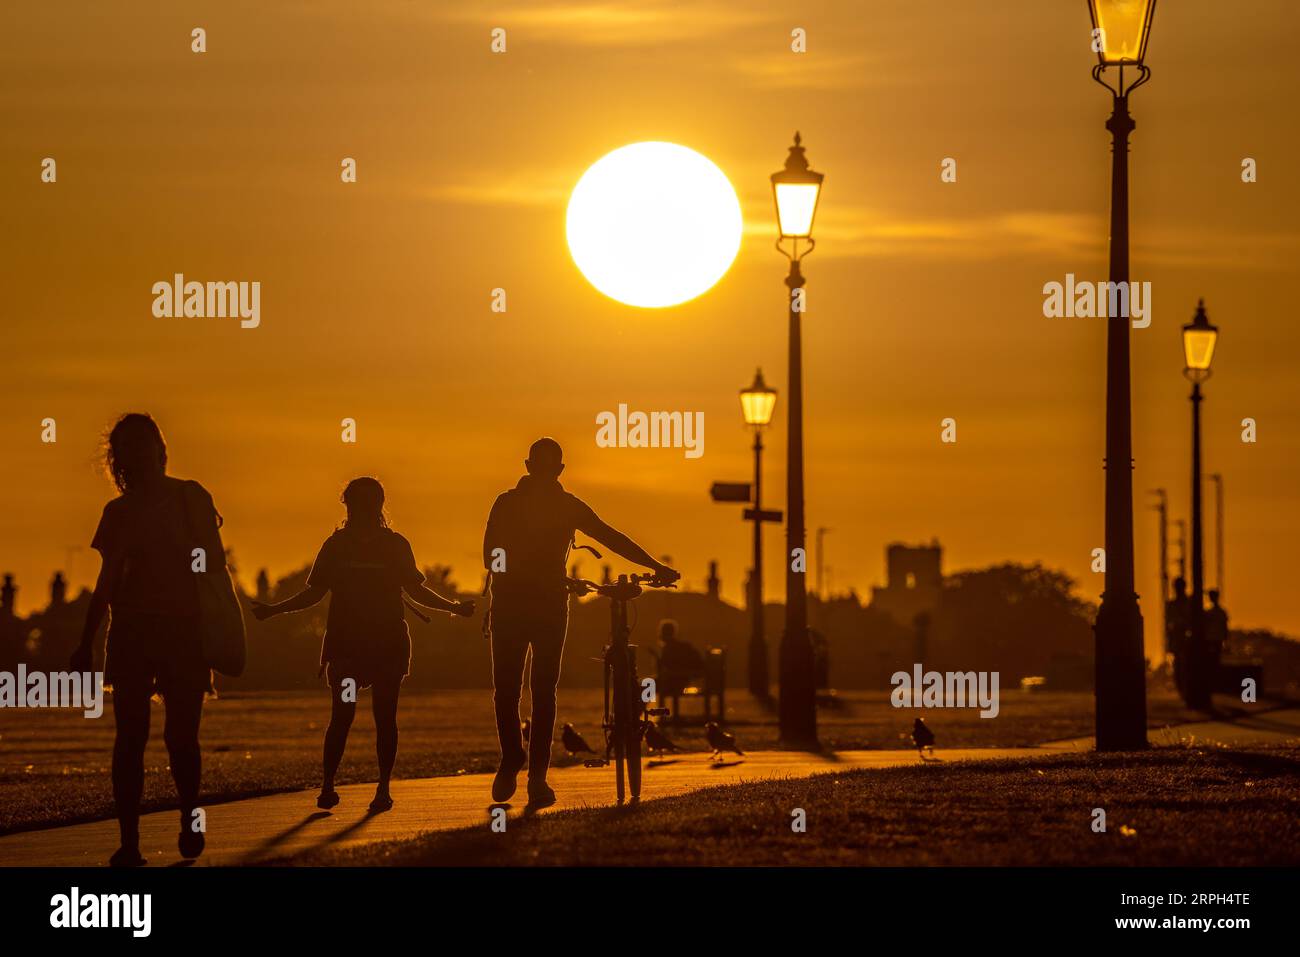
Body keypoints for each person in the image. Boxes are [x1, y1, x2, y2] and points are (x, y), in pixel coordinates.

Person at [252, 477, 473, 813]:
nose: (364, 509)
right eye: (359, 502)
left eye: (370, 502)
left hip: (387, 646)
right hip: (346, 648)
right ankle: (328, 785)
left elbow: (416, 590)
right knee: (343, 716)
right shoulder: (336, 546)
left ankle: (382, 788)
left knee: (384, 718)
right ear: (349, 505)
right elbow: (315, 593)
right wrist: (274, 610)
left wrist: (453, 607)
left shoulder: (395, 545)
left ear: (379, 504)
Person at [483, 437, 678, 809]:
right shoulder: (544, 505)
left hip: (525, 605)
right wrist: (655, 566)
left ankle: (525, 768)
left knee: (518, 691)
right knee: (533, 691)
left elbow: (492, 554)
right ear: (557, 469)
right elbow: (608, 536)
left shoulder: (524, 504)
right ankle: (526, 769)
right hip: (532, 605)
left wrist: (652, 565)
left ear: (531, 465)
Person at [69, 413, 218, 867]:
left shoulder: (190, 497)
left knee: (180, 737)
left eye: (144, 442)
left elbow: (211, 562)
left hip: (184, 628)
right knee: (129, 738)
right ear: (119, 458)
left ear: (158, 447)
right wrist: (86, 640)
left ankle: (189, 815)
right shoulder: (118, 512)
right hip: (132, 630)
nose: (138, 453)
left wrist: (178, 565)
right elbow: (107, 580)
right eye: (127, 447)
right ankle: (129, 843)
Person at [656, 619, 703, 697]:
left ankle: (641, 708)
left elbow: (664, 669)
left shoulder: (669, 649)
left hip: (672, 683)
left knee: (644, 685)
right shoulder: (684, 646)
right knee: (647, 683)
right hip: (682, 682)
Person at [1166, 576, 1190, 696]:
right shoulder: (1173, 604)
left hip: (1184, 636)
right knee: (1179, 662)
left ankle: (1183, 687)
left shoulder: (1186, 603)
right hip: (1178, 636)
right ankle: (1181, 687)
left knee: (1184, 662)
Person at [1205, 589, 1229, 681]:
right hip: (1212, 639)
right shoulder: (1215, 612)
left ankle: (1214, 678)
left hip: (1214, 639)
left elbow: (1224, 627)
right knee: (1213, 659)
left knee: (1214, 659)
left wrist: (1225, 639)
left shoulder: (1214, 613)